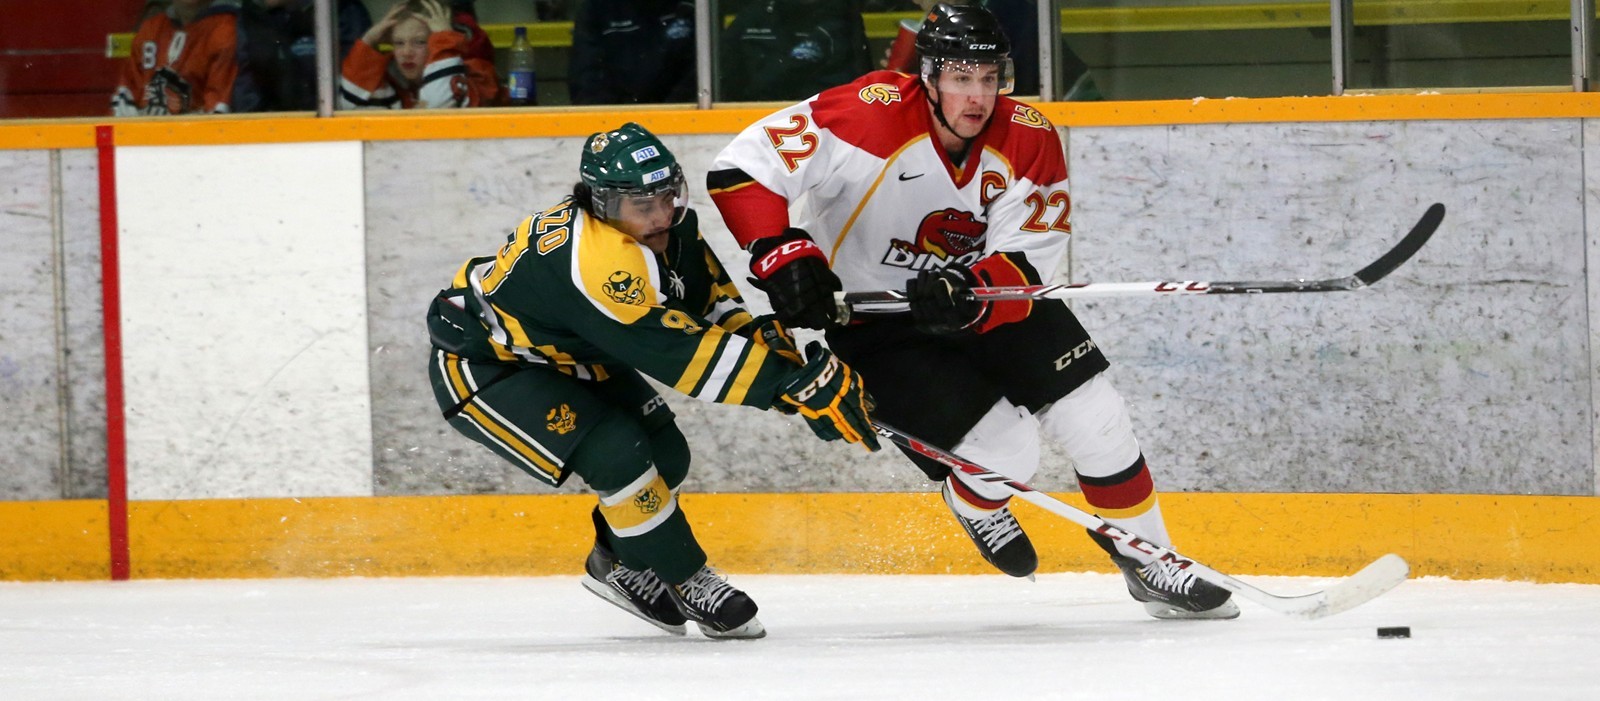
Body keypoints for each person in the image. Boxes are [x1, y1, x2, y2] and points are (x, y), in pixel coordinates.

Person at [706, 3, 1237, 620]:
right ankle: (977, 501)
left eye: (989, 78)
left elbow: (1027, 255)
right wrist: (780, 251)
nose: (977, 96)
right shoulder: (864, 114)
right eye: (961, 78)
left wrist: (972, 288)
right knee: (1008, 453)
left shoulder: (1029, 134)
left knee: (1097, 416)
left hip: (983, 300)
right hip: (874, 324)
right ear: (928, 76)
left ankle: (1150, 560)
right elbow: (742, 168)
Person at [425, 123, 879, 638]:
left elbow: (707, 300)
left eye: (668, 195)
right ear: (603, 204)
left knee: (667, 454)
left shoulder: (668, 228)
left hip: (572, 354)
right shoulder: (596, 264)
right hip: (488, 367)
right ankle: (688, 578)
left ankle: (619, 567)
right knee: (618, 453)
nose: (663, 213)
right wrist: (787, 384)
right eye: (644, 205)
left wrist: (759, 339)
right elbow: (681, 354)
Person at [338, 0, 499, 109]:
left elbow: (440, 106)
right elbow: (350, 105)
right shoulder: (388, 80)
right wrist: (369, 40)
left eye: (420, 42)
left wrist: (444, 42)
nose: (407, 53)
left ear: (443, 42)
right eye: (399, 43)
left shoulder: (479, 75)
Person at [719, 0, 872, 102]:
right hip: (756, 122)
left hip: (823, 122)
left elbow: (855, 88)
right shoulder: (752, 18)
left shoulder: (842, 19)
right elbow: (724, 81)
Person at [113, 0, 246, 115]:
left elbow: (216, 117)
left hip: (192, 141)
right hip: (146, 139)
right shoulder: (151, 28)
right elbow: (124, 99)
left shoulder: (225, 31)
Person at [567, 0, 696, 105]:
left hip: (680, 119)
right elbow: (586, 76)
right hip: (615, 118)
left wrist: (670, 114)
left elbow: (702, 74)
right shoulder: (598, 8)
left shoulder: (693, 8)